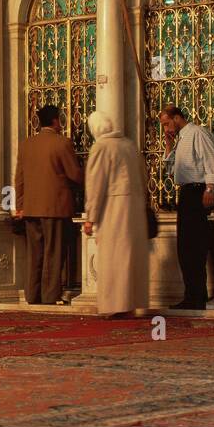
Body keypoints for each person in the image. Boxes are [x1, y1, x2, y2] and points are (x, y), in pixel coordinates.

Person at [13, 104, 84, 306]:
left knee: (35, 254)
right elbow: (74, 174)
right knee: (54, 253)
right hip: (55, 207)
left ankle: (32, 295)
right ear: (55, 121)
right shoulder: (62, 143)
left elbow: (19, 178)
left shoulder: (26, 144)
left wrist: (20, 205)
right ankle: (50, 295)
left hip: (31, 208)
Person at [83, 112, 149, 319]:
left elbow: (96, 184)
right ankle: (130, 303)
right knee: (130, 258)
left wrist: (90, 216)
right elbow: (144, 177)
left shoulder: (101, 147)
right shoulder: (129, 145)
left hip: (114, 209)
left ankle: (118, 304)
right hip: (134, 209)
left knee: (115, 259)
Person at [159, 105, 214, 310]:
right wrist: (168, 143)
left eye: (167, 123)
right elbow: (171, 169)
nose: (166, 128)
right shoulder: (181, 139)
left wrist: (210, 189)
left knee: (195, 246)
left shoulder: (197, 133)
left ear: (177, 118)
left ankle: (197, 296)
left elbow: (210, 160)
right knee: (185, 248)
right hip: (186, 192)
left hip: (198, 191)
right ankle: (191, 295)